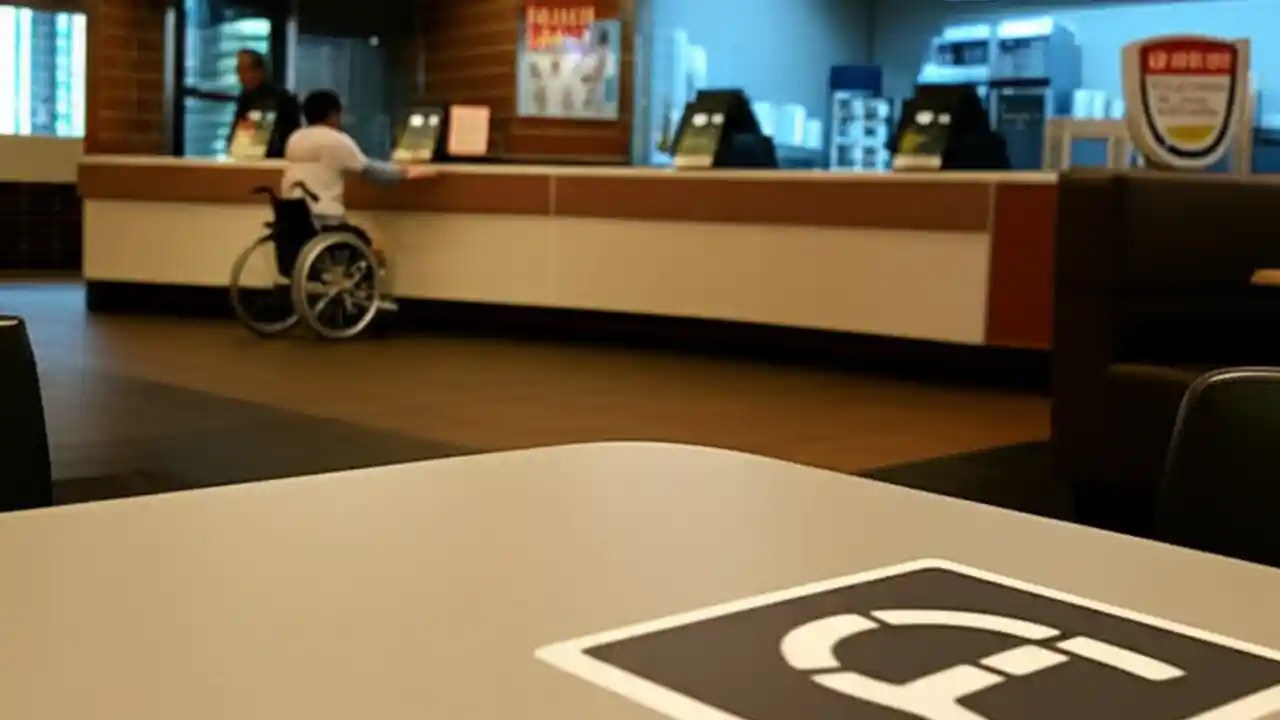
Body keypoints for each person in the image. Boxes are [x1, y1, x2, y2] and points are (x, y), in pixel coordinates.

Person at [282, 90, 434, 306]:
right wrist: (407, 173)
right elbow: (372, 172)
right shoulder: (335, 140)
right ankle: (370, 301)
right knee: (372, 247)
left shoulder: (295, 139)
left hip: (296, 217)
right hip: (325, 219)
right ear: (333, 114)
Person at [228, 49, 301, 158]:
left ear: (259, 71)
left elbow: (257, 139)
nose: (239, 76)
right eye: (238, 70)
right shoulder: (246, 97)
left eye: (242, 70)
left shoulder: (274, 97)